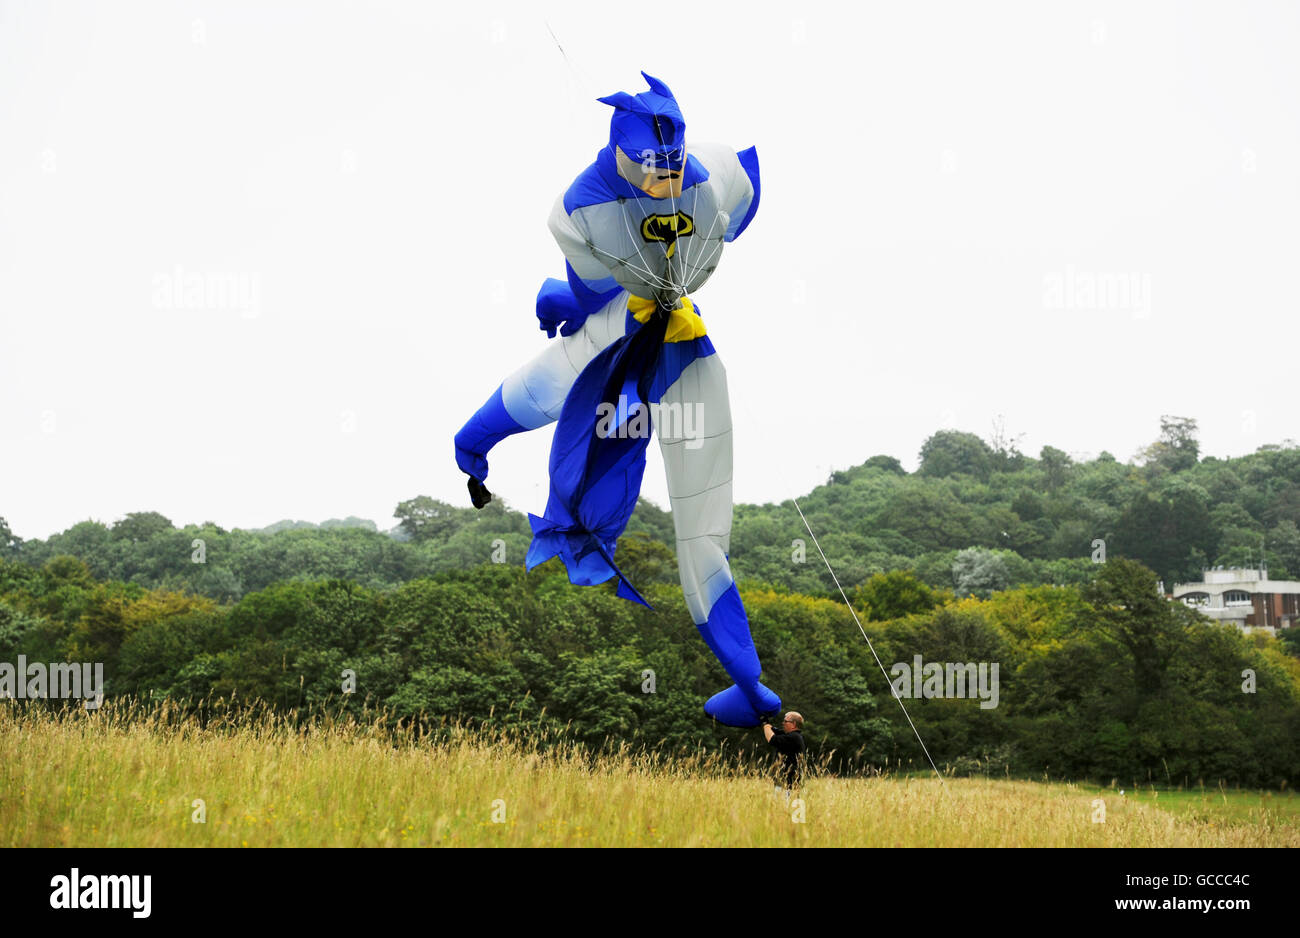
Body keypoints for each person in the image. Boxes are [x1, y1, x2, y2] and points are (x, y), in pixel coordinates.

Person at [453, 72, 780, 728]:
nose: (667, 182)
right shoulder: (579, 208)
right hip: (622, 334)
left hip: (683, 348)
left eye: (674, 170)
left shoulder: (712, 177)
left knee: (705, 533)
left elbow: (746, 183)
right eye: (654, 172)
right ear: (625, 159)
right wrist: (474, 452)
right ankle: (471, 453)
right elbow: (580, 324)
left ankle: (748, 685)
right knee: (541, 393)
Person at [763, 712, 805, 796]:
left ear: (793, 724)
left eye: (785, 721)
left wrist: (765, 725)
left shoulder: (793, 737)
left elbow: (772, 739)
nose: (783, 723)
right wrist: (767, 723)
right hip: (786, 783)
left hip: (788, 785)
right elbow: (777, 731)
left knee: (782, 807)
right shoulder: (794, 736)